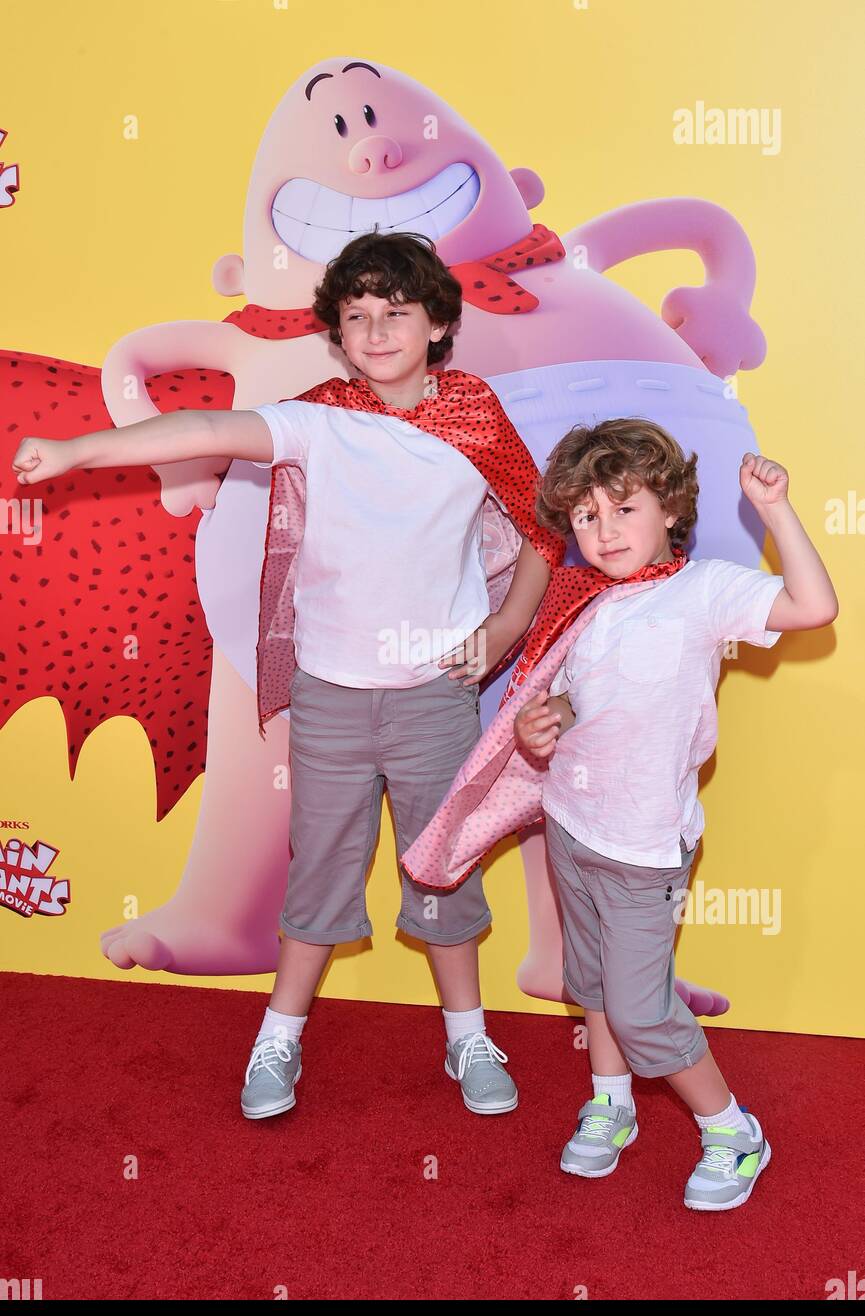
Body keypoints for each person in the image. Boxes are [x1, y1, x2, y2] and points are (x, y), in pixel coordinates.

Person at [12, 230, 566, 1122]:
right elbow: (202, 427)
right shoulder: (319, 417)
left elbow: (542, 533)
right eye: (356, 316)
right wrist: (77, 452)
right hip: (331, 696)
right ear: (337, 335)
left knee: (442, 869)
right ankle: (280, 1037)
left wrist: (502, 629)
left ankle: (468, 1035)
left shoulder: (478, 420)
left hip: (435, 699)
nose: (377, 331)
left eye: (396, 313)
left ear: (437, 324)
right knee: (320, 869)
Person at [401, 416, 838, 1210]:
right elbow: (585, 694)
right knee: (592, 983)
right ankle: (611, 1102)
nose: (603, 531)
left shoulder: (703, 591)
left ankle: (731, 1129)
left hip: (645, 846)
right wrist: (547, 718)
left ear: (670, 510)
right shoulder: (582, 602)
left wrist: (774, 509)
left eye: (623, 508)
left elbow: (813, 607)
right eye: (585, 516)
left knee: (641, 1011)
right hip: (572, 825)